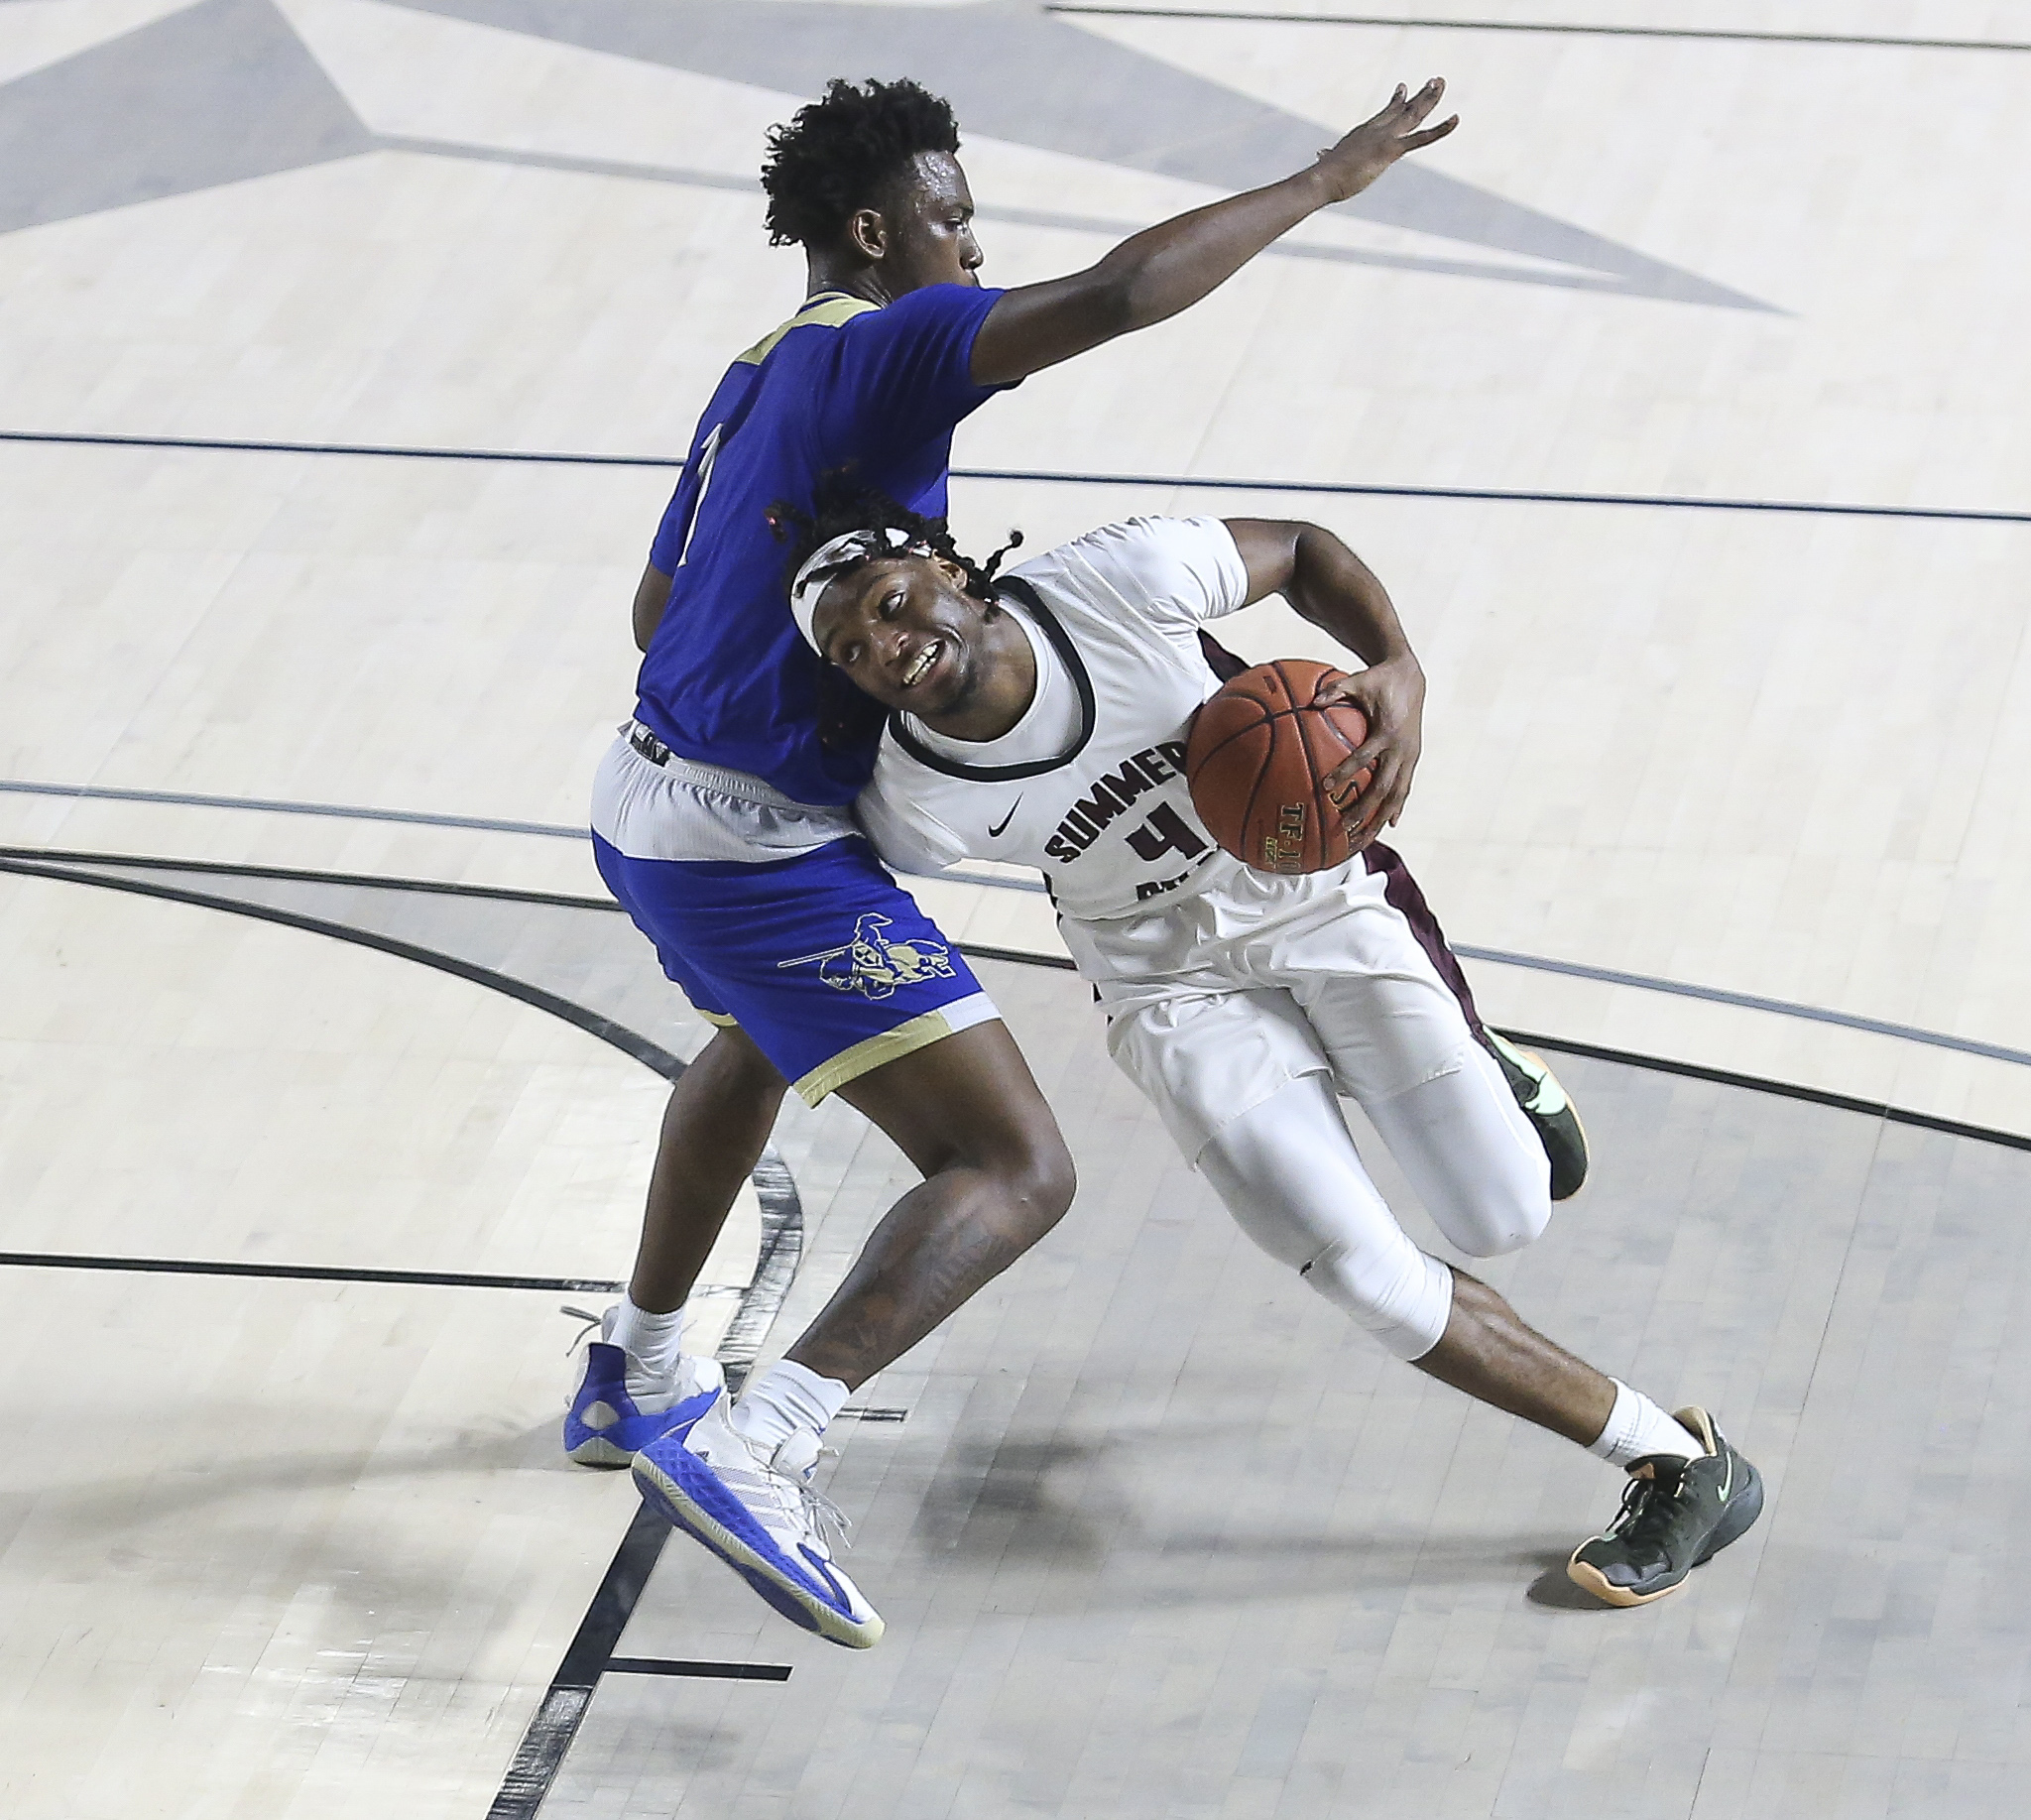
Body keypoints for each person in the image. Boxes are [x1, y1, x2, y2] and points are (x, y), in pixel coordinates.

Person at [582, 72, 1553, 1648]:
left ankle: (638, 1358)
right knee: (1017, 1167)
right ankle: (768, 1440)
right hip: (752, 841)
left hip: (645, 796)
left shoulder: (755, 375)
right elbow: (1118, 293)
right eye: (956, 217)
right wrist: (1322, 178)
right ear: (878, 232)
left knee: (762, 1033)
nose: (976, 245)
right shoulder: (887, 347)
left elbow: (651, 611)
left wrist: (795, 663)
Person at [759, 486, 1763, 1610]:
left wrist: (1397, 667)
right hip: (1168, 990)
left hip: (1318, 898)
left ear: (950, 570)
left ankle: (1489, 1062)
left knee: (1505, 1214)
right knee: (1365, 1277)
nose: (889, 647)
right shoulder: (912, 803)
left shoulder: (1120, 582)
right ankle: (1674, 1460)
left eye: (893, 605)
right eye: (852, 649)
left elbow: (1302, 550)